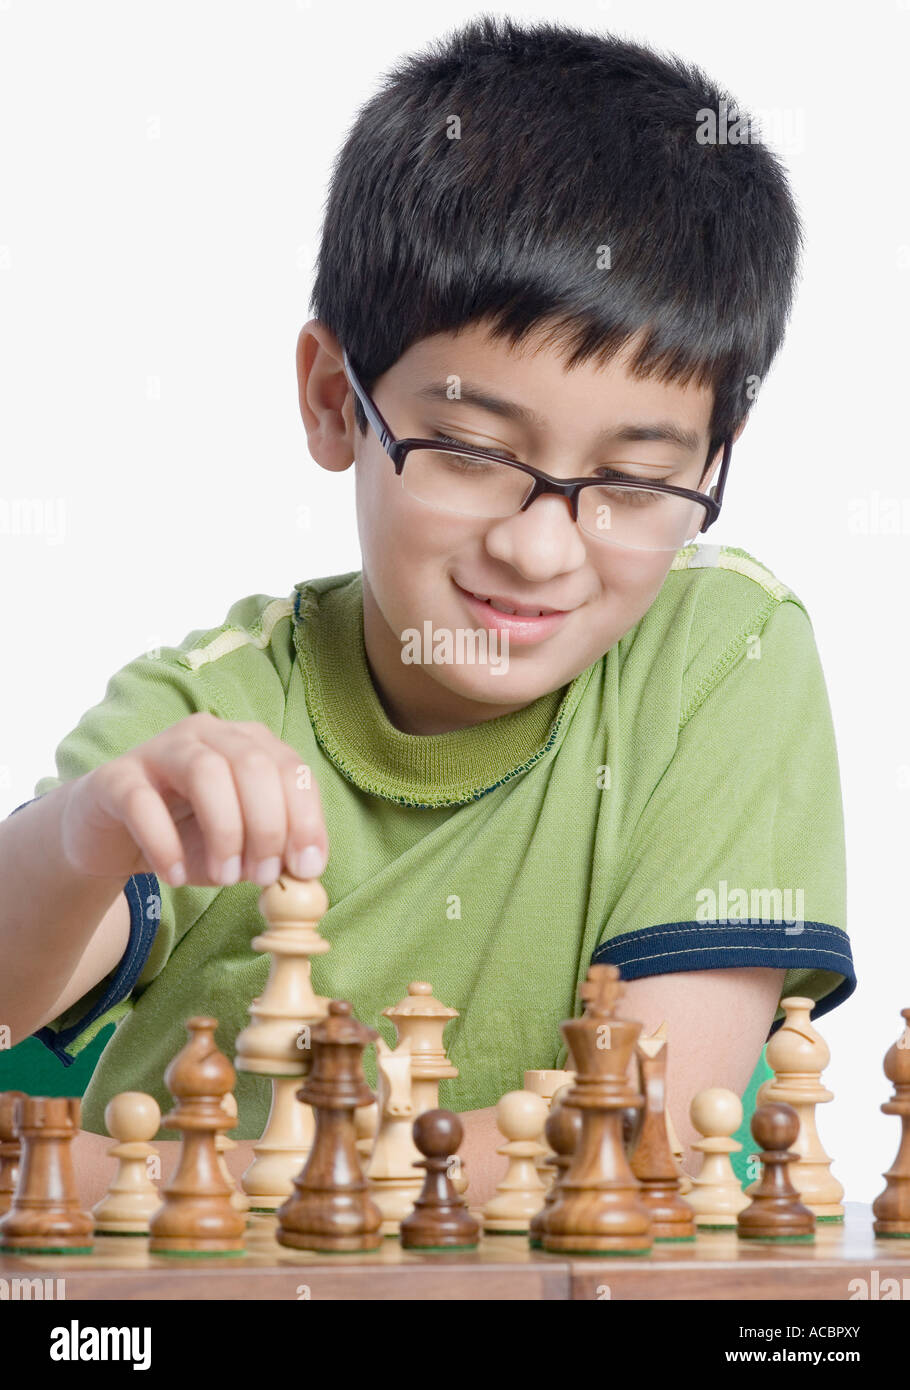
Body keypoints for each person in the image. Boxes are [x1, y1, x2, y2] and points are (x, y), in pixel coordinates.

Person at [0, 17, 853, 1201]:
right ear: (332, 401)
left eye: (634, 478)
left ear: (716, 457)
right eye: (466, 449)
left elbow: (642, 1139)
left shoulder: (722, 656)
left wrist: (137, 1180)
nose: (541, 545)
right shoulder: (216, 703)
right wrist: (84, 834)